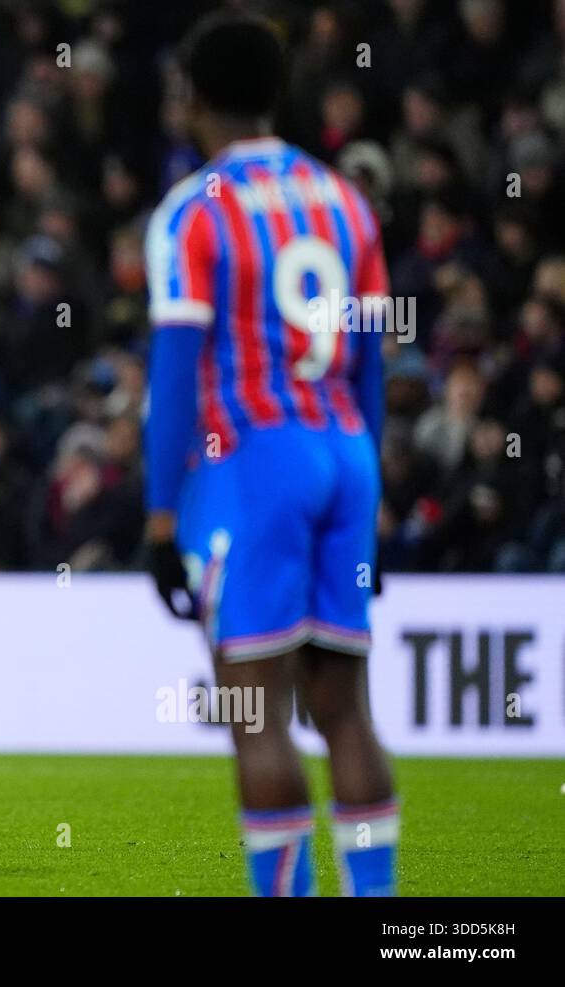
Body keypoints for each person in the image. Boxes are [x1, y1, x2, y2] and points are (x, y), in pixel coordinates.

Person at [144, 14, 397, 896]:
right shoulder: (345, 199)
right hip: (348, 453)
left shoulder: (193, 212)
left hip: (254, 463)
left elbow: (175, 379)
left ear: (193, 96)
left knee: (256, 716)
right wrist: (378, 489)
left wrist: (159, 516)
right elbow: (371, 358)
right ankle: (379, 904)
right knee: (346, 711)